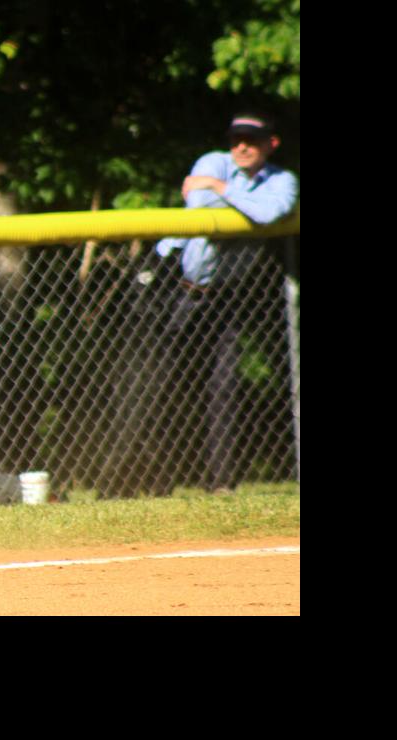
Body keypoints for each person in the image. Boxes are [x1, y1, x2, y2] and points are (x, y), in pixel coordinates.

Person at [153, 111, 298, 494]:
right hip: (175, 288)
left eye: (252, 140)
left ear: (271, 143)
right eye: (237, 139)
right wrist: (235, 199)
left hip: (226, 298)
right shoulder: (214, 161)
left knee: (223, 388)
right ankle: (148, 480)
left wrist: (221, 189)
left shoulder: (281, 181)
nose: (242, 147)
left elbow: (270, 212)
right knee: (160, 385)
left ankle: (220, 483)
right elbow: (199, 208)